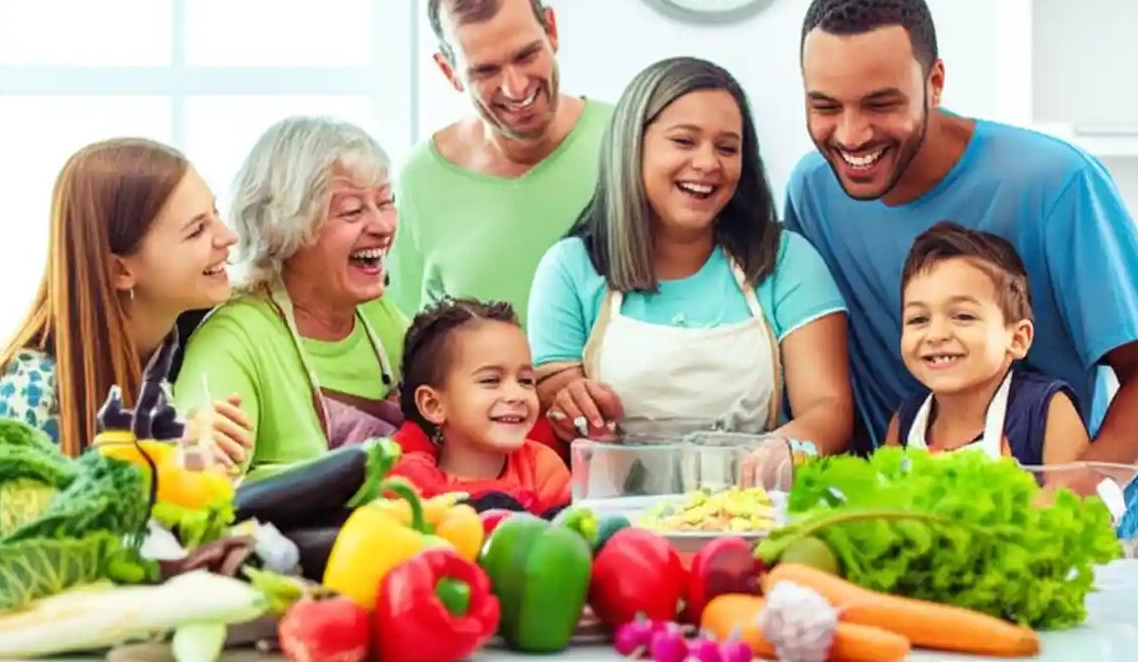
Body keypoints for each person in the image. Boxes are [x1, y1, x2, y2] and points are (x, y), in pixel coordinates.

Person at [783, 0, 1138, 556]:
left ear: (934, 82)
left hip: (1075, 537)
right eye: (825, 106)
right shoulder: (813, 190)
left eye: (880, 103)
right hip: (918, 537)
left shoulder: (1055, 182)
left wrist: (1086, 487)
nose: (851, 133)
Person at [527, 56, 854, 467]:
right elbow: (557, 400)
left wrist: (787, 449)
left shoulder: (787, 261)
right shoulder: (569, 269)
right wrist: (572, 405)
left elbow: (829, 410)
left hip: (756, 509)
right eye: (684, 141)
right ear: (632, 145)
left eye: (727, 148)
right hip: (616, 518)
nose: (707, 164)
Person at [0, 138, 251, 463]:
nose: (229, 236)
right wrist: (178, 458)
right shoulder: (29, 396)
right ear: (120, 269)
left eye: (215, 212)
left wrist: (197, 464)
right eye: (197, 229)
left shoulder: (170, 363)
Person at [174, 117, 408, 482]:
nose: (383, 225)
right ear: (284, 226)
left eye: (386, 201)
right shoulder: (234, 338)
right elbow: (200, 481)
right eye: (352, 211)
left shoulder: (381, 317)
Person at [389, 0, 615, 324]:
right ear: (450, 72)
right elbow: (400, 337)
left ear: (552, 31)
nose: (516, 87)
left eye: (527, 55)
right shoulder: (419, 180)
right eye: (486, 70)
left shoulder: (632, 140)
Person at [888, 222, 1088, 467]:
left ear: (1018, 339)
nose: (935, 334)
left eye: (963, 316)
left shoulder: (1045, 411)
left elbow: (1076, 499)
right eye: (919, 319)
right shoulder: (906, 422)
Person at [389, 298, 571, 515]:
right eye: (491, 380)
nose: (517, 395)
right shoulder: (406, 483)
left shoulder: (542, 469)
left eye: (525, 381)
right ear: (433, 405)